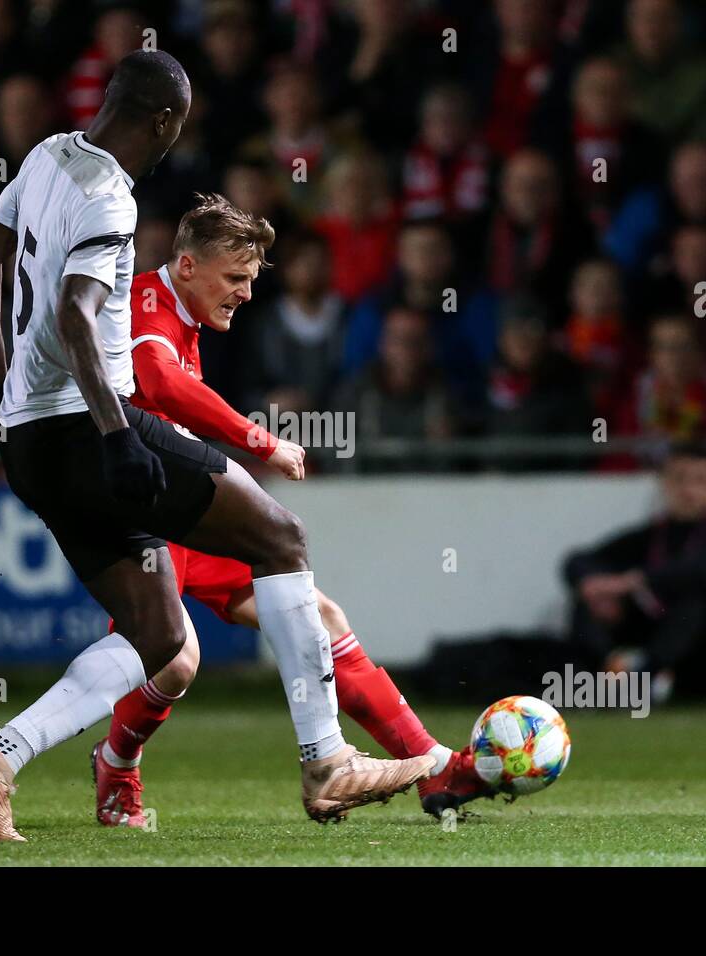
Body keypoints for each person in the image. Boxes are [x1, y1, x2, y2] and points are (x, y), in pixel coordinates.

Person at [0, 50, 432, 842]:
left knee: (163, 641)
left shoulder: (44, 157)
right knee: (280, 537)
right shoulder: (111, 201)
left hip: (29, 443)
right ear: (166, 121)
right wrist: (114, 432)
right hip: (88, 424)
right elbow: (75, 316)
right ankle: (327, 760)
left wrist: (0, 393)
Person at [91, 194, 492, 826]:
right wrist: (263, 440)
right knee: (165, 663)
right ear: (188, 266)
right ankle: (97, 763)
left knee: (319, 615)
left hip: (188, 507)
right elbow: (164, 383)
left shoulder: (182, 312)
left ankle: (431, 765)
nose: (246, 294)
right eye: (234, 278)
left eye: (251, 280)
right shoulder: (145, 306)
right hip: (144, 512)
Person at [562, 443, 706, 700]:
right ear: (664, 483)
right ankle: (612, 673)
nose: (688, 490)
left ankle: (642, 678)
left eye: (700, 480)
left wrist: (633, 581)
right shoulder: (654, 534)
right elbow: (578, 560)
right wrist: (595, 586)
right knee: (592, 596)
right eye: (679, 479)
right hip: (664, 639)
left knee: (697, 602)